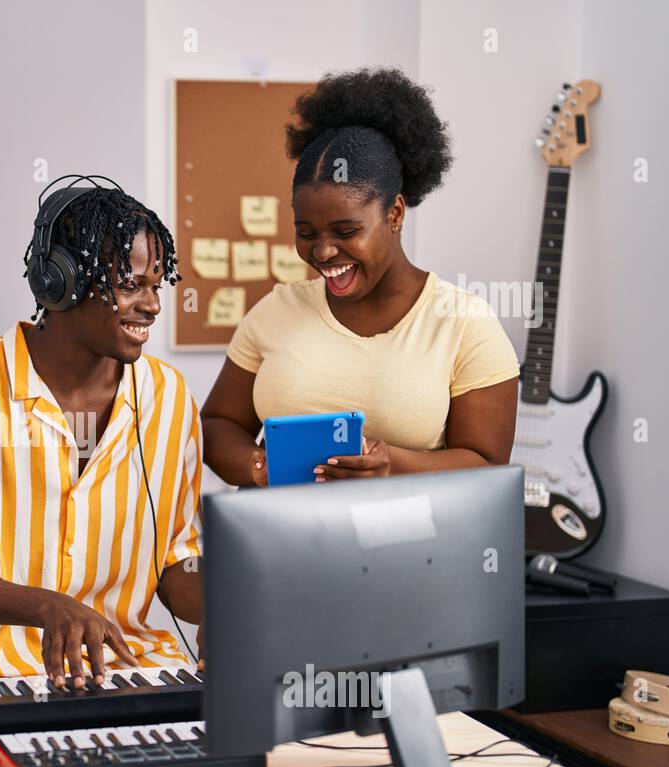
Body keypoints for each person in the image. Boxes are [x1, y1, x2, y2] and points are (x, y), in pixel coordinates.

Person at [0, 181, 204, 688]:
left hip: (135, 674)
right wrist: (44, 606)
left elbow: (175, 566)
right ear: (62, 283)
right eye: (129, 284)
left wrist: (229, 609)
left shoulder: (169, 396)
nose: (153, 306)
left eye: (156, 285)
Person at [201, 68, 520, 487]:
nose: (324, 251)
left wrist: (392, 466)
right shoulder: (276, 311)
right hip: (282, 545)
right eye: (306, 232)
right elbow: (217, 424)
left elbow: (489, 468)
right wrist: (262, 468)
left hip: (411, 548)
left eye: (347, 232)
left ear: (395, 214)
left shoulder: (464, 322)